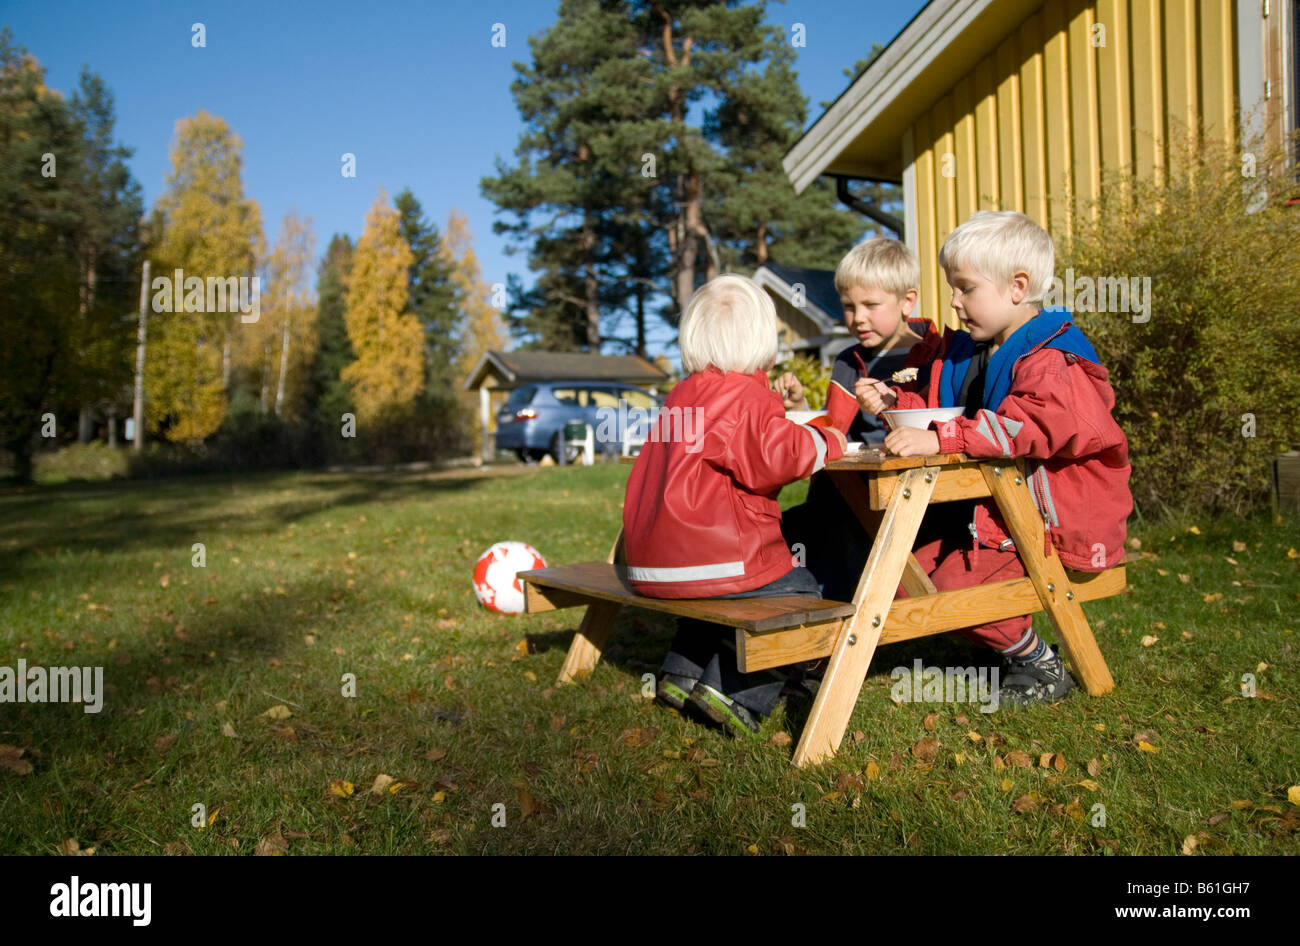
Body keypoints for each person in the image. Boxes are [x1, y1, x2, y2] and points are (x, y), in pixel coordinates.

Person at [858, 210, 1132, 706]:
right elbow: (952, 409)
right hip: (998, 516)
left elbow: (1026, 426)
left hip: (1052, 525)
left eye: (965, 288)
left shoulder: (1053, 359)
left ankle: (1037, 662)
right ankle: (1004, 648)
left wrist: (944, 439)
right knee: (907, 572)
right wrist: (897, 409)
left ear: (1017, 286)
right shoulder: (984, 350)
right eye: (951, 288)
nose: (955, 302)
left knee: (954, 586)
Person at [622, 274, 847, 737]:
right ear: (762, 340)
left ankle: (681, 675)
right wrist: (830, 440)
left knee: (717, 596)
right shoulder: (747, 397)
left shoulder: (680, 396)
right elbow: (776, 457)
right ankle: (734, 688)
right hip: (722, 554)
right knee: (801, 596)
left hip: (657, 563)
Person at [781, 237, 942, 602]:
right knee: (786, 528)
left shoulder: (932, 358)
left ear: (907, 301)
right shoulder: (847, 361)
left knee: (848, 531)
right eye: (849, 306)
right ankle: (797, 615)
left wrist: (890, 407)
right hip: (840, 489)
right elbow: (835, 429)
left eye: (871, 305)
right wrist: (801, 406)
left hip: (902, 494)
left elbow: (934, 430)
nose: (858, 317)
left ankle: (843, 623)